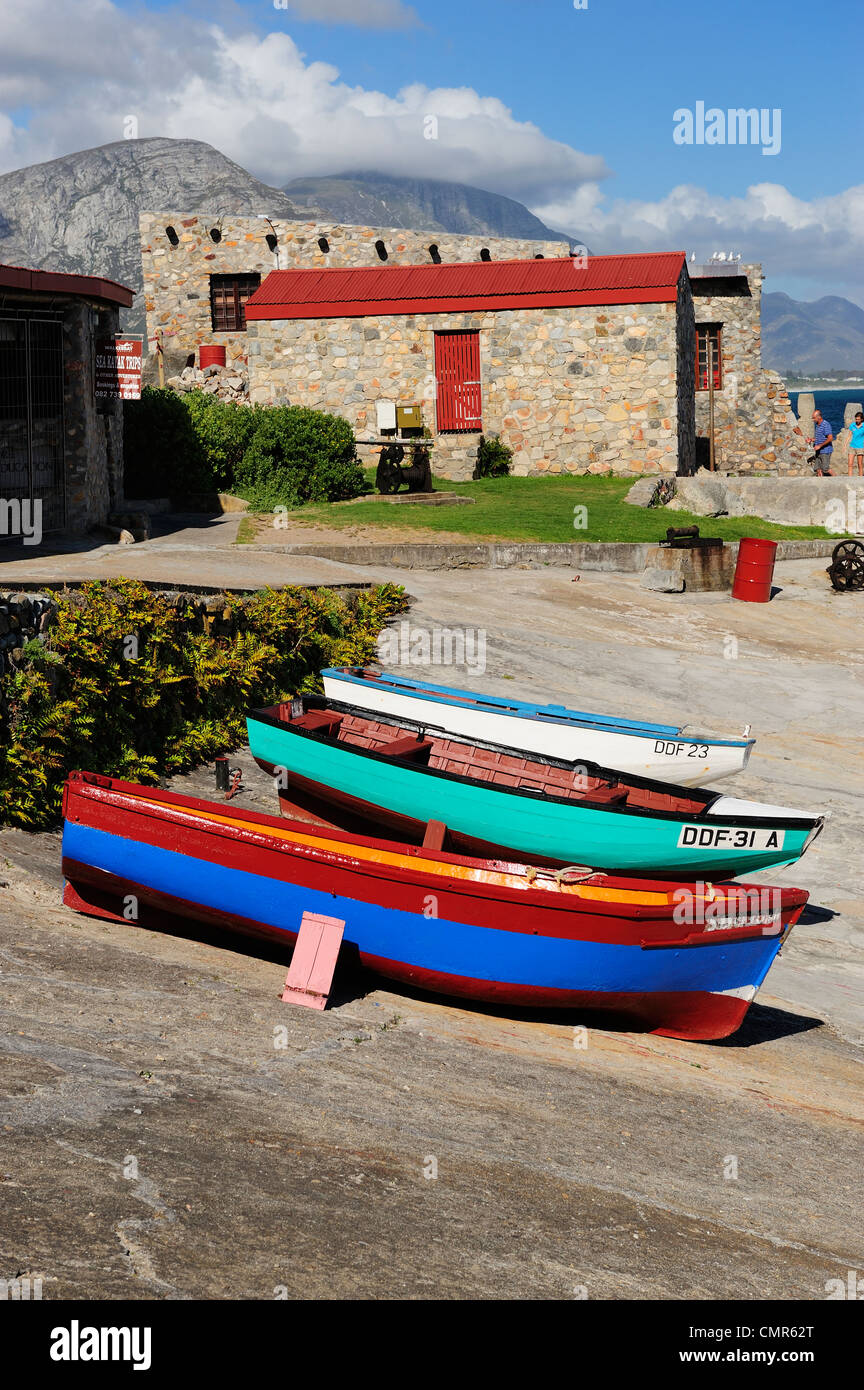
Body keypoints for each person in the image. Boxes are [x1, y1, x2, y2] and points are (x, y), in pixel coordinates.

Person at [807, 410, 834, 475]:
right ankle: (821, 484)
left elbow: (830, 438)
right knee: (817, 469)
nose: (813, 419)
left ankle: (838, 480)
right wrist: (811, 440)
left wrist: (820, 446)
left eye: (814, 418)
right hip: (818, 451)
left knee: (825, 469)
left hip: (825, 451)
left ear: (819, 417)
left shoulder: (825, 425)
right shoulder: (818, 425)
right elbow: (820, 438)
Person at [848, 411, 864, 477]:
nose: (857, 420)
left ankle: (860, 478)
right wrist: (845, 445)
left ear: (861, 419)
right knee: (850, 464)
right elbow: (849, 435)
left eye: (858, 419)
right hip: (852, 446)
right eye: (856, 419)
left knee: (860, 464)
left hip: (860, 447)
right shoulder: (852, 425)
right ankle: (850, 478)